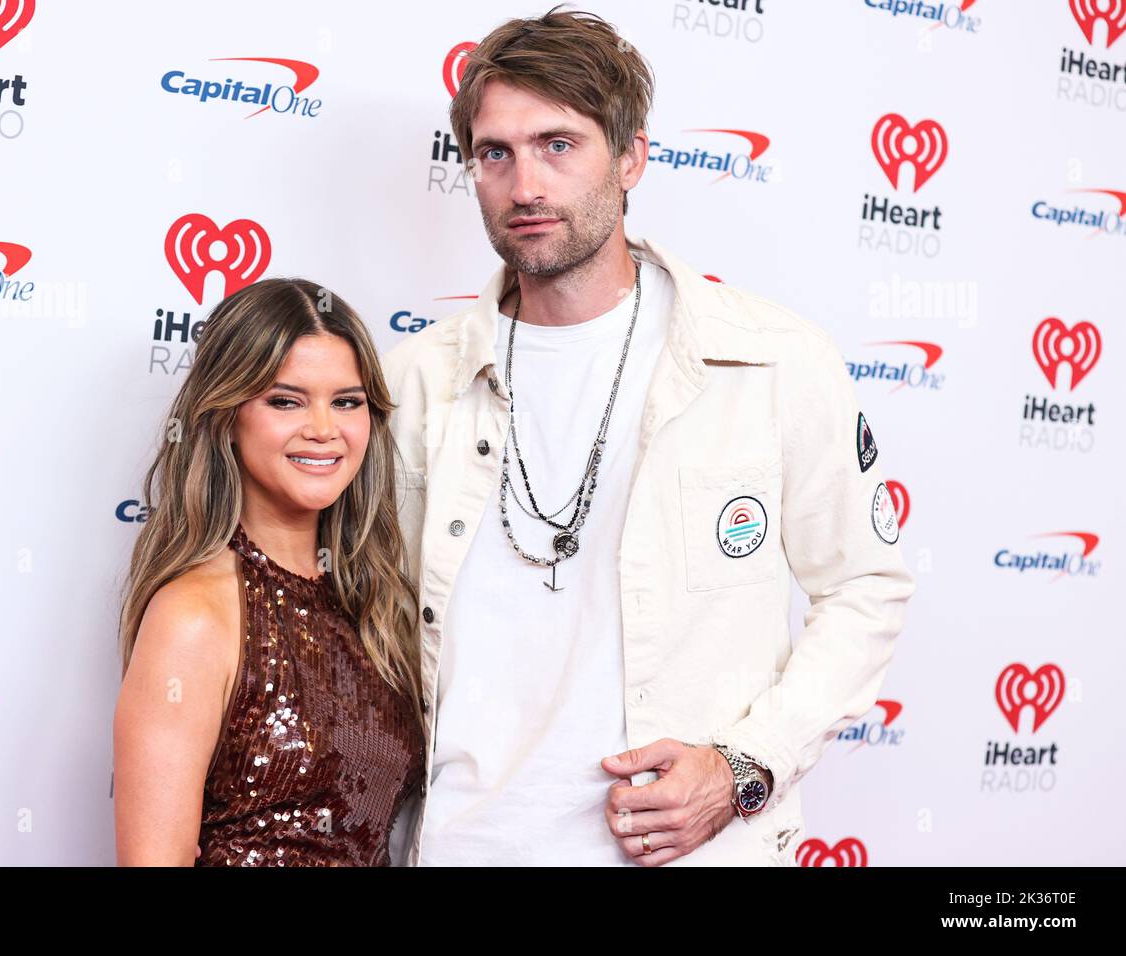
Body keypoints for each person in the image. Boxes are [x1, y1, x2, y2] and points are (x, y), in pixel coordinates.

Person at [380, 7, 916, 866]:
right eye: (495, 153)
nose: (525, 186)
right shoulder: (412, 384)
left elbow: (866, 586)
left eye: (560, 144)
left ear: (630, 156)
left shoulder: (771, 361)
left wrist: (747, 764)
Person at [113, 278, 425, 866]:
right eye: (286, 401)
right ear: (227, 415)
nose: (324, 429)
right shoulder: (195, 614)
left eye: (347, 401)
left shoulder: (372, 603)